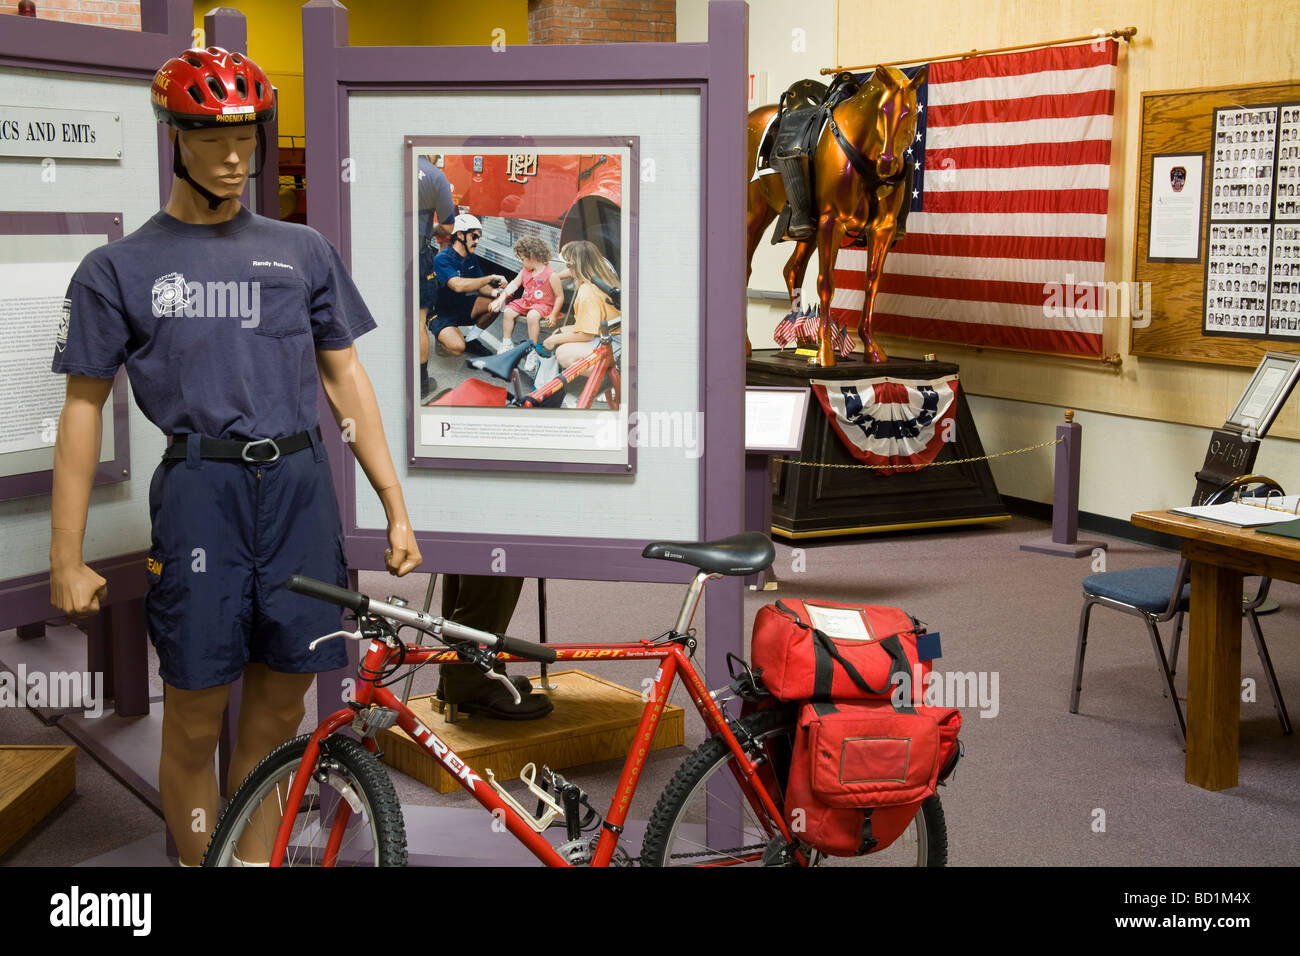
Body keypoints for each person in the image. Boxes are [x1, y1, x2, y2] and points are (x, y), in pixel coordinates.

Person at [47, 46, 421, 866]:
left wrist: (393, 504)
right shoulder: (119, 267)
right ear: (174, 137)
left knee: (279, 712)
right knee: (192, 711)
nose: (234, 157)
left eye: (247, 138)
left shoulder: (302, 249)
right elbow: (83, 408)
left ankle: (251, 861)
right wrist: (65, 554)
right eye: (213, 137)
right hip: (199, 493)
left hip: (299, 487)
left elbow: (345, 378)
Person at [429, 213, 506, 357]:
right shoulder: (442, 258)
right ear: (460, 235)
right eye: (474, 237)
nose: (477, 241)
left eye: (478, 237)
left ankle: (471, 339)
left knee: (497, 303)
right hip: (440, 312)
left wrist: (498, 294)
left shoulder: (471, 258)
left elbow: (480, 285)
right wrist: (490, 278)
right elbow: (458, 285)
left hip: (462, 304)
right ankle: (442, 340)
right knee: (457, 348)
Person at [542, 240, 620, 372]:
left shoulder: (587, 291)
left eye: (568, 265)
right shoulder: (606, 277)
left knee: (563, 354)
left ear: (575, 266)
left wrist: (551, 340)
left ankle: (612, 376)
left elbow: (586, 335)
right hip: (615, 330)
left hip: (615, 342)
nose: (567, 270)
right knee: (559, 332)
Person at [417, 156, 456, 401]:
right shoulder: (434, 175)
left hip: (382, 249)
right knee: (417, 321)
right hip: (415, 251)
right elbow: (447, 227)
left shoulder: (384, 165)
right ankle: (421, 382)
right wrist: (429, 229)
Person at [491, 235, 564, 353]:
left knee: (532, 315)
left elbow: (559, 296)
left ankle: (532, 349)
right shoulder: (524, 271)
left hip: (543, 305)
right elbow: (514, 284)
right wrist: (501, 299)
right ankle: (506, 342)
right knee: (508, 311)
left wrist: (554, 314)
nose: (522, 262)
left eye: (523, 259)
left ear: (532, 257)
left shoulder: (551, 274)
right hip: (526, 302)